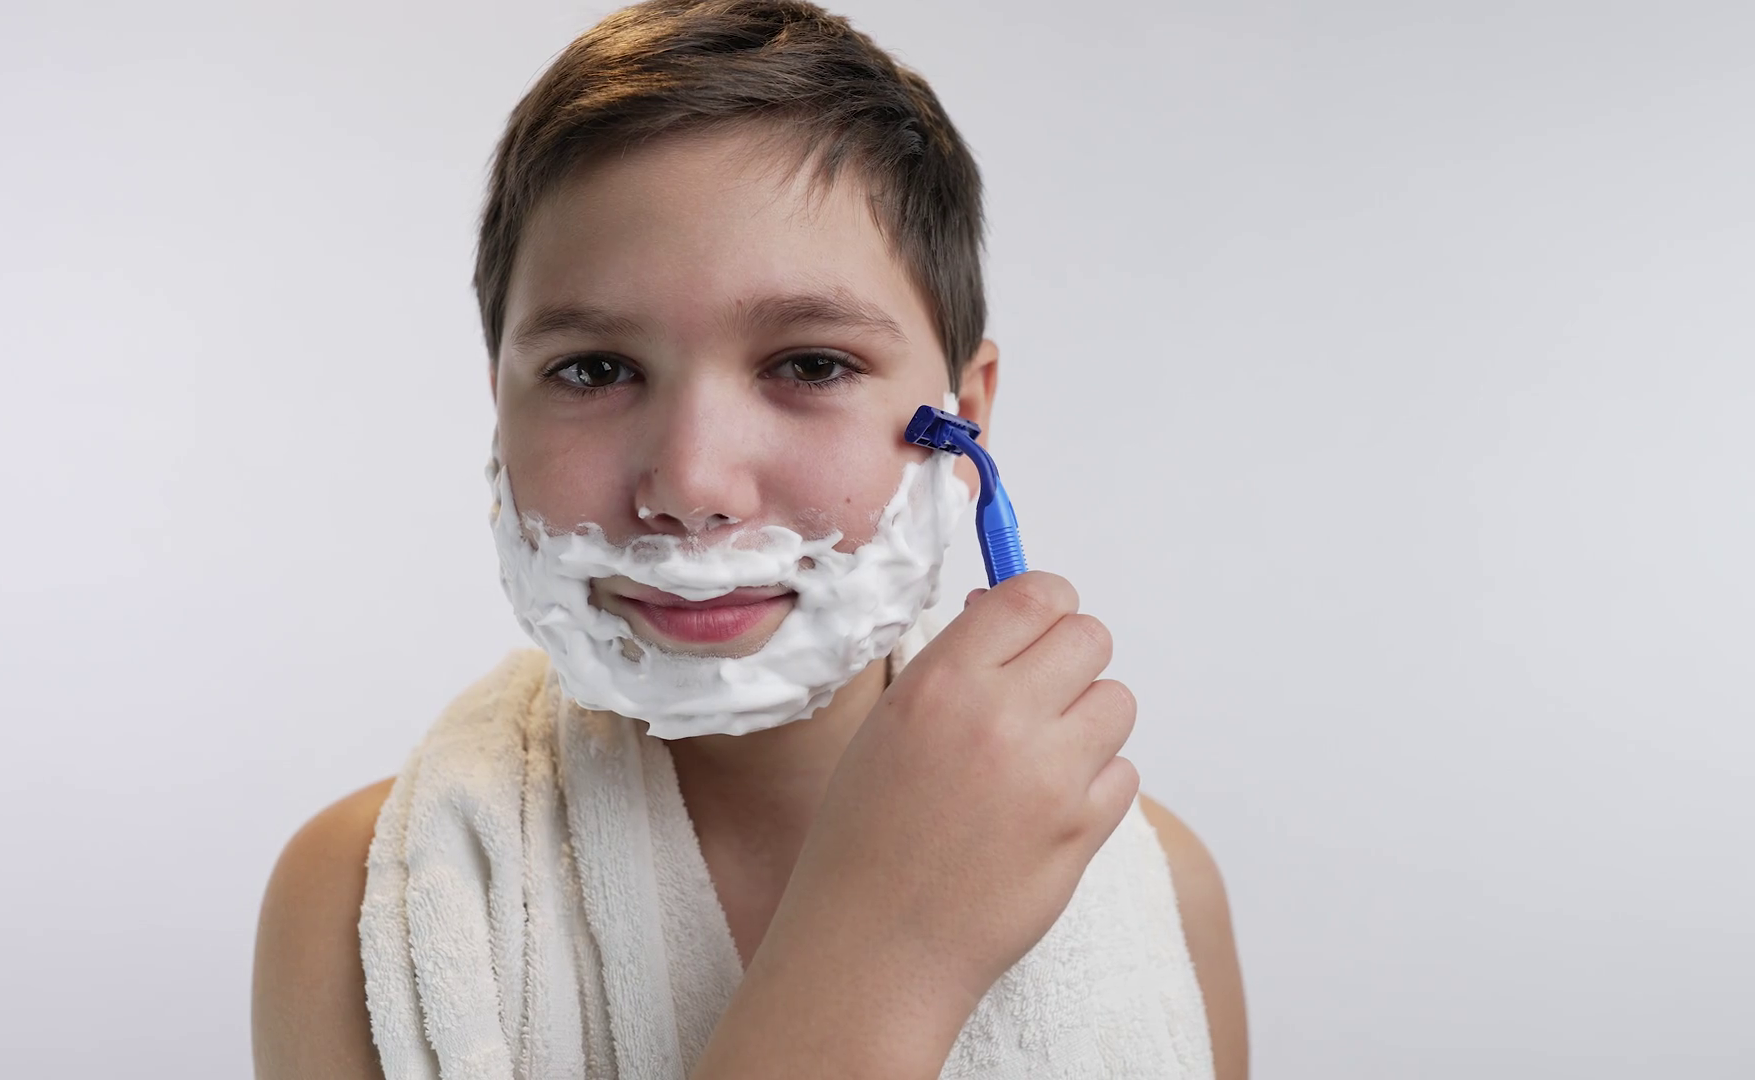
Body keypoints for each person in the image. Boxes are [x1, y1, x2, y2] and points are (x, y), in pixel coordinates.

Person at [252, 2, 1246, 1077]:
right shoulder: (358, 904)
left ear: (965, 421)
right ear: (503, 412)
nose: (691, 488)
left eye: (810, 365)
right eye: (594, 369)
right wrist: (887, 947)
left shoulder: (1164, 889)